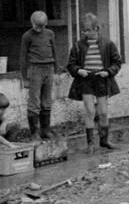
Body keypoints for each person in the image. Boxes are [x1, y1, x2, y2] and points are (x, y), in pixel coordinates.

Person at [67, 13, 122, 152]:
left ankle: (104, 140)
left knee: (103, 112)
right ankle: (90, 143)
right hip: (86, 80)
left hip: (101, 79)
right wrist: (79, 71)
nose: (85, 33)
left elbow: (117, 62)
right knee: (90, 111)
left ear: (96, 28)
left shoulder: (108, 44)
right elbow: (71, 64)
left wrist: (108, 72)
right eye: (83, 30)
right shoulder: (78, 46)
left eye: (87, 30)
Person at [19, 10, 57, 140]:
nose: (39, 29)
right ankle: (34, 132)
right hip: (35, 69)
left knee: (46, 100)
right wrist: (25, 78)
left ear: (46, 23)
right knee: (34, 101)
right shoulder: (27, 36)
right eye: (36, 26)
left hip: (49, 68)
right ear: (32, 23)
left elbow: (54, 51)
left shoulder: (50, 34)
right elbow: (23, 57)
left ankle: (45, 130)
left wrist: (55, 68)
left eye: (42, 26)